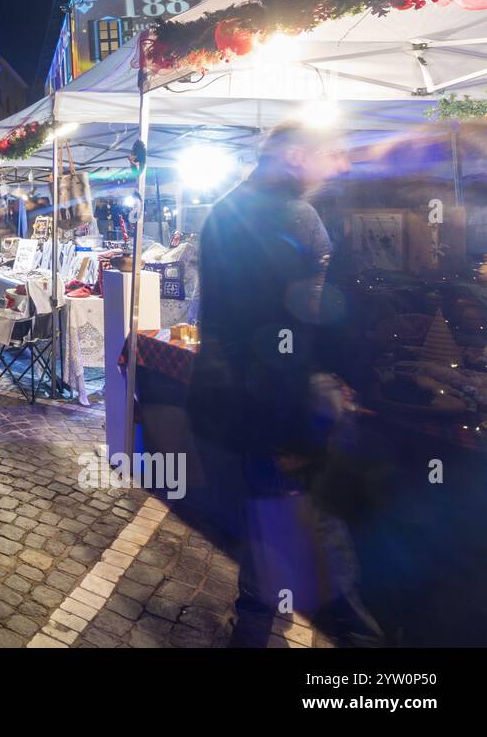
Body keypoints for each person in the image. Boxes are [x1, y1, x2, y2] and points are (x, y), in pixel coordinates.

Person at [186, 123, 380, 647]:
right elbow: (287, 327)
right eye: (329, 153)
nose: (338, 164)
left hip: (242, 400)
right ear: (296, 156)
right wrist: (295, 424)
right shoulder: (292, 214)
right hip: (275, 404)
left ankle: (252, 626)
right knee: (320, 547)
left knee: (268, 522)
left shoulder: (231, 207)